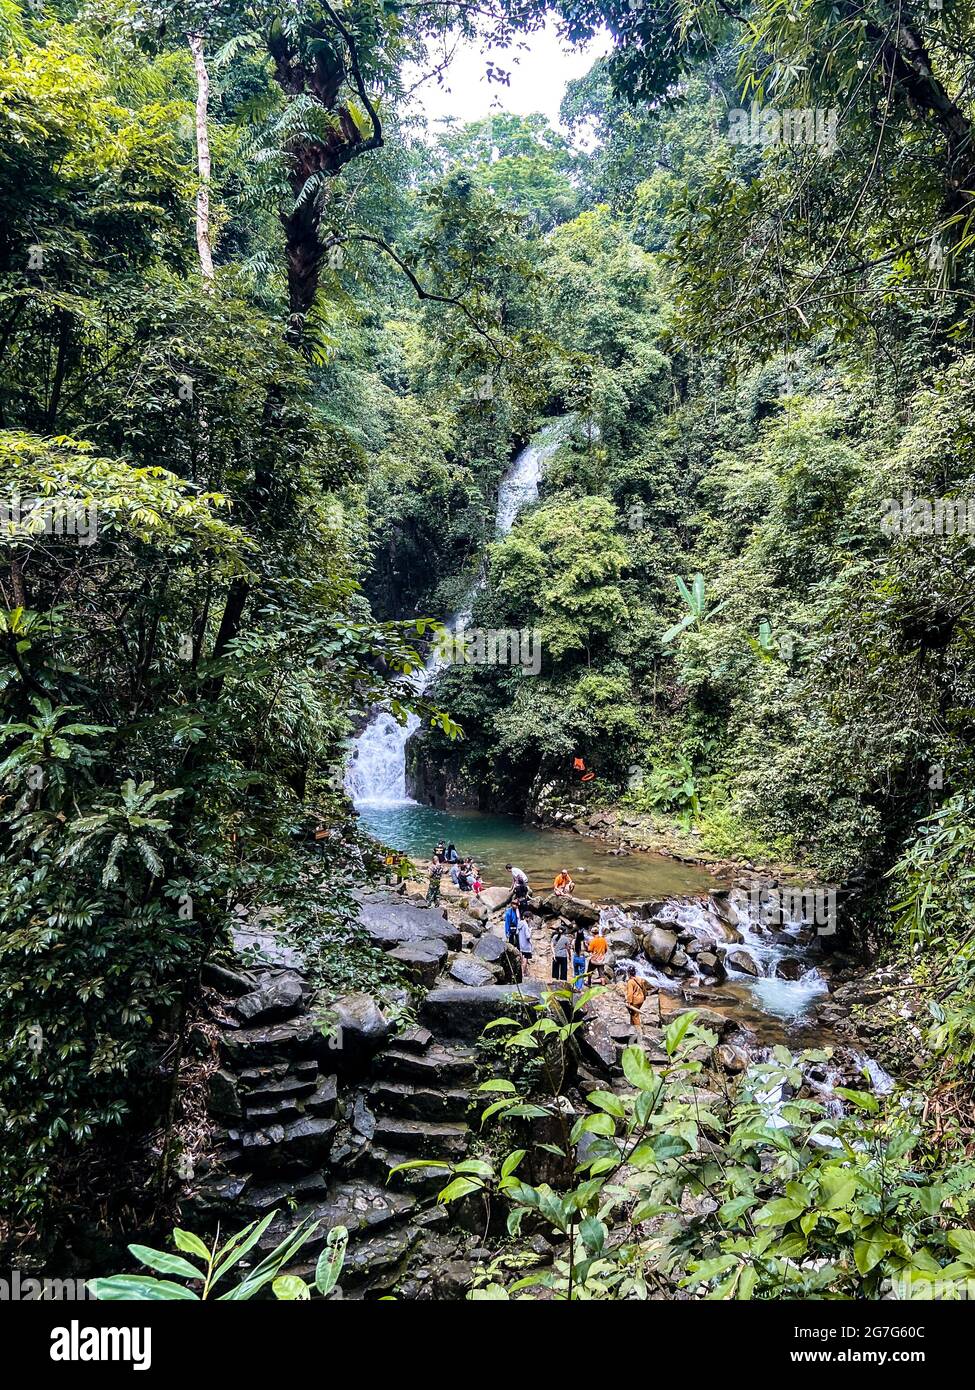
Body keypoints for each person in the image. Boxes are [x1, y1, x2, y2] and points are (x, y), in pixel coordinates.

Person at [623, 965, 648, 1033]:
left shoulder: (630, 982)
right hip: (641, 999)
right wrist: (645, 996)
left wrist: (628, 1002)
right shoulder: (639, 978)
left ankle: (639, 1031)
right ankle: (632, 1027)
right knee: (633, 1013)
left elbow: (630, 993)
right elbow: (644, 988)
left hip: (635, 1001)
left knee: (635, 1015)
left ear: (628, 973)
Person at [571, 930, 588, 995]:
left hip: (575, 957)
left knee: (576, 972)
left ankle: (575, 986)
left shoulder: (574, 941)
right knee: (581, 974)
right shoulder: (583, 942)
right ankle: (579, 988)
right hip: (581, 957)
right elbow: (587, 949)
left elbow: (572, 948)